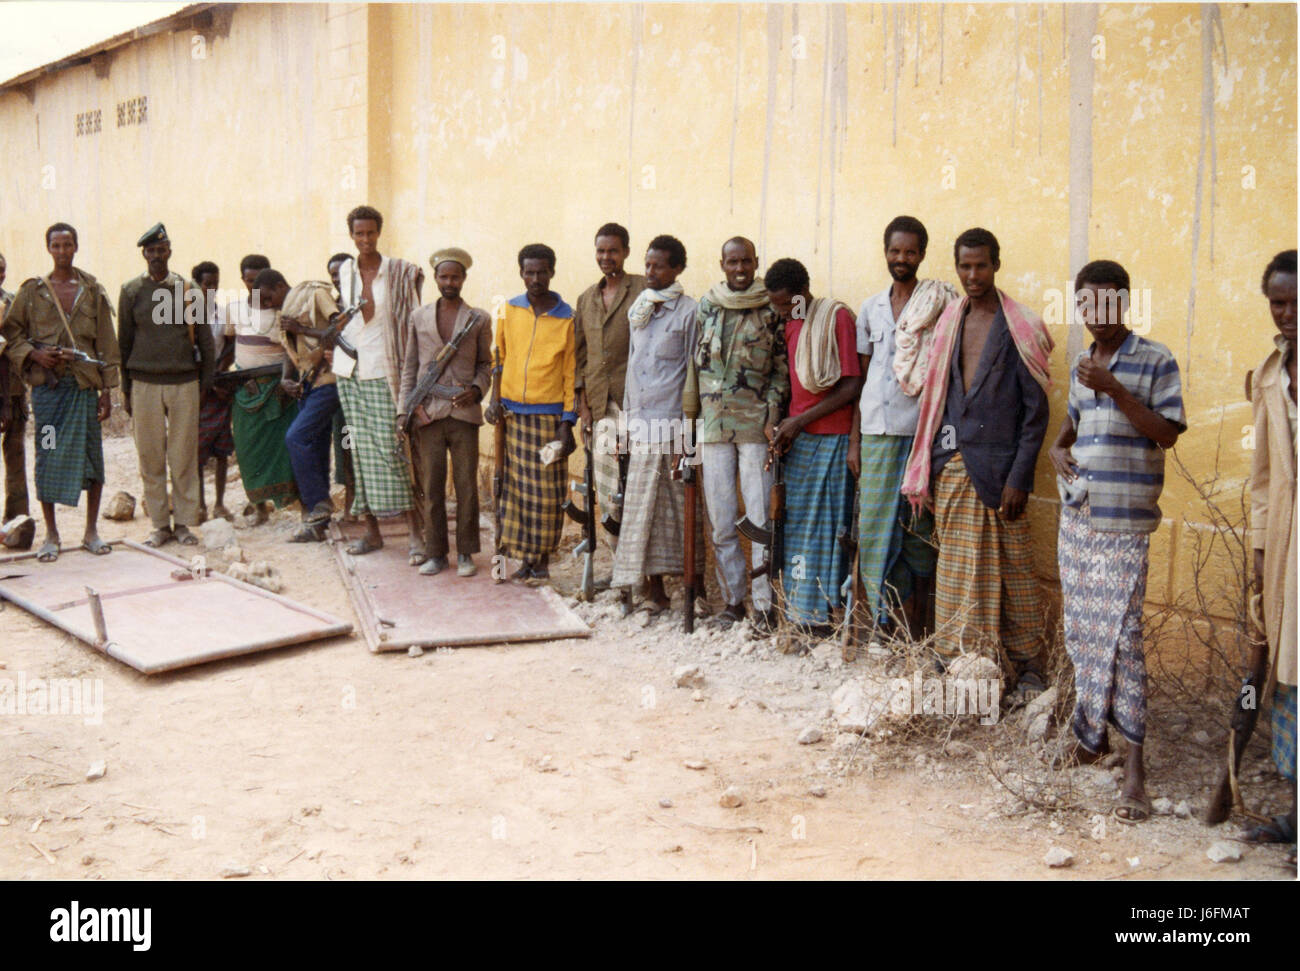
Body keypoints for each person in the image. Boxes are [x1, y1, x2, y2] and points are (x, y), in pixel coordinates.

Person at [1047, 259, 1186, 823]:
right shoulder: (1083, 366)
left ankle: (1135, 771)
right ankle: (1089, 737)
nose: (1097, 315)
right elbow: (1073, 428)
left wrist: (1117, 389)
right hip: (1079, 518)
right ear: (1080, 308)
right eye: (1087, 305)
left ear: (1125, 303)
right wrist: (1058, 449)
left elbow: (1169, 433)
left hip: (1125, 523)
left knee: (1125, 637)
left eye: (1108, 303)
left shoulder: (1156, 360)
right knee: (1082, 629)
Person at [901, 227, 1053, 703]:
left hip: (1002, 477)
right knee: (958, 570)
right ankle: (959, 659)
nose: (972, 275)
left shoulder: (1021, 326)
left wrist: (1019, 478)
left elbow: (1036, 412)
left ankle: (1028, 665)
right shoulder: (948, 322)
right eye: (964, 266)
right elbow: (940, 399)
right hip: (956, 469)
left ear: (996, 264)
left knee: (1015, 572)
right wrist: (940, 463)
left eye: (981, 265)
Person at [850, 216, 953, 637]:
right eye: (895, 251)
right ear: (885, 252)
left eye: (910, 252)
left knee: (918, 531)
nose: (902, 259)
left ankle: (919, 629)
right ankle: (879, 623)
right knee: (874, 528)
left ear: (922, 255)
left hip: (919, 435)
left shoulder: (939, 305)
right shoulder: (871, 308)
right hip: (875, 432)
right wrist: (855, 441)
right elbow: (860, 378)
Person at [0, 223, 120, 561]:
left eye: (68, 245)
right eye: (56, 245)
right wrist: (35, 355)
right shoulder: (32, 292)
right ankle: (52, 534)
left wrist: (107, 391)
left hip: (83, 389)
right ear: (48, 248)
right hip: (49, 395)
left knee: (92, 458)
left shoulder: (92, 290)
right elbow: (11, 336)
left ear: (76, 247)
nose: (62, 251)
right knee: (48, 454)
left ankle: (91, 532)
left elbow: (106, 343)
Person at [688, 236, 788, 632]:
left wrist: (773, 412)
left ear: (756, 262)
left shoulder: (771, 308)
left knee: (759, 519)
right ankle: (733, 602)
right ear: (722, 264)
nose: (740, 269)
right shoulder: (707, 305)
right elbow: (695, 368)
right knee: (722, 519)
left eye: (746, 261)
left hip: (754, 428)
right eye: (732, 262)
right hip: (713, 426)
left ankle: (764, 606)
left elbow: (781, 370)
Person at [767, 258, 864, 630]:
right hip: (800, 440)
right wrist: (780, 426)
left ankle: (824, 615)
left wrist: (800, 421)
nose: (780, 311)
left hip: (833, 437)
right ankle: (800, 612)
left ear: (803, 292)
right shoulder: (791, 324)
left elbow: (853, 385)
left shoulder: (836, 318)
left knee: (827, 528)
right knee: (797, 528)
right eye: (775, 305)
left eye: (785, 303)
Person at [611, 235, 703, 611]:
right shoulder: (640, 310)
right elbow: (634, 368)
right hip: (641, 428)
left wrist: (687, 433)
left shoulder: (690, 312)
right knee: (642, 510)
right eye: (647, 265)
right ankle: (654, 592)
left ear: (677, 268)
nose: (650, 272)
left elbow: (693, 374)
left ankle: (693, 593)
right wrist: (626, 426)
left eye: (659, 266)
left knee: (684, 512)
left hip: (675, 429)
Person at [332, 205, 424, 556]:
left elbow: (413, 319)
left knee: (393, 450)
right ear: (351, 235)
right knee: (358, 453)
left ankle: (415, 532)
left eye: (370, 233)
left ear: (379, 233)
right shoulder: (344, 271)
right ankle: (372, 532)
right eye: (359, 234)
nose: (365, 240)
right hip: (351, 372)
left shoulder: (398, 272)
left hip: (387, 370)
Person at [1245, 248, 1298, 847]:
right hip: (1287, 548)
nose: (1286, 315)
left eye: (1295, 303)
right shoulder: (1271, 375)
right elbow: (1262, 479)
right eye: (1277, 304)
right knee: (1289, 679)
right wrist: (1259, 554)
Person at [397, 248, 492, 576]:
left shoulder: (478, 318)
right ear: (436, 278)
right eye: (443, 276)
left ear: (464, 278)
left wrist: (478, 390)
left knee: (466, 485)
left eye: (455, 276)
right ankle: (436, 553)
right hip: (428, 414)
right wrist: (403, 410)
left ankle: (466, 553)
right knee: (432, 485)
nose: (449, 282)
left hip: (464, 415)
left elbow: (485, 364)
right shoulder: (419, 317)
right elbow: (410, 366)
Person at [117, 223, 213, 547]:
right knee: (150, 456)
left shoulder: (190, 291)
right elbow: (124, 342)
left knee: (183, 455)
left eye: (161, 250)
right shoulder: (131, 291)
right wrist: (126, 389)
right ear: (144, 254)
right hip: (143, 383)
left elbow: (205, 340)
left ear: (169, 251)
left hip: (184, 382)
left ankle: (184, 523)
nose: (156, 256)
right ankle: (159, 524)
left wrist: (205, 383)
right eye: (150, 251)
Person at [486, 243, 577, 583]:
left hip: (548, 419)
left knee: (546, 494)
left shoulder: (567, 318)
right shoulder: (507, 310)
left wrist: (567, 424)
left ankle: (541, 562)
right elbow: (499, 358)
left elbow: (570, 375)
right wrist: (494, 400)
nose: (535, 278)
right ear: (521, 273)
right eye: (529, 272)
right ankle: (523, 559)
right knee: (516, 493)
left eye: (541, 271)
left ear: (552, 272)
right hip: (512, 417)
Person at [574, 223, 646, 554]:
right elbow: (580, 356)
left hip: (637, 404)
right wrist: (583, 407)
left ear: (626, 252)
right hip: (600, 405)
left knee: (636, 482)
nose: (606, 257)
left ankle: (641, 561)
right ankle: (617, 553)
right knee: (605, 483)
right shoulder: (587, 298)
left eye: (613, 251)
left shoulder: (644, 290)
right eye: (601, 251)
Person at [277, 273, 347, 541]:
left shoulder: (315, 293)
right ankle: (318, 525)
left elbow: (340, 329)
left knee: (296, 437)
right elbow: (287, 348)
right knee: (315, 446)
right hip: (308, 384)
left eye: (270, 296)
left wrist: (302, 329)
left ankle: (320, 503)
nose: (269, 303)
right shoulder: (286, 310)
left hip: (329, 382)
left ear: (281, 287)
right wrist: (286, 378)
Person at [228, 255, 299, 520]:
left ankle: (290, 503)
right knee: (248, 449)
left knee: (283, 448)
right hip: (245, 389)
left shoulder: (282, 311)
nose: (255, 287)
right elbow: (226, 344)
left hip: (277, 389)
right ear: (243, 280)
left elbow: (291, 351)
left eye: (260, 280)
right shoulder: (234, 310)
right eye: (249, 281)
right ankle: (259, 507)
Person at [192, 260, 235, 522]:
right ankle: (199, 505)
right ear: (197, 285)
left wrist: (219, 371)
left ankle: (220, 503)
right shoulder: (186, 316)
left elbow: (230, 345)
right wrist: (205, 379)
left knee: (221, 450)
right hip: (198, 390)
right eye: (207, 285)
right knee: (196, 451)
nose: (212, 290)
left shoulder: (221, 314)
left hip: (219, 388)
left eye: (215, 285)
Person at [0, 251, 35, 550]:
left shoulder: (12, 304)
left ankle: (16, 523)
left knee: (15, 459)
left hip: (13, 392)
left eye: (1, 270)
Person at [327, 251, 356, 520]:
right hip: (340, 387)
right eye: (333, 275)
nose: (337, 279)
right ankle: (350, 502)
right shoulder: (332, 306)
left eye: (342, 273)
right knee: (345, 444)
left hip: (365, 385)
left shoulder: (362, 303)